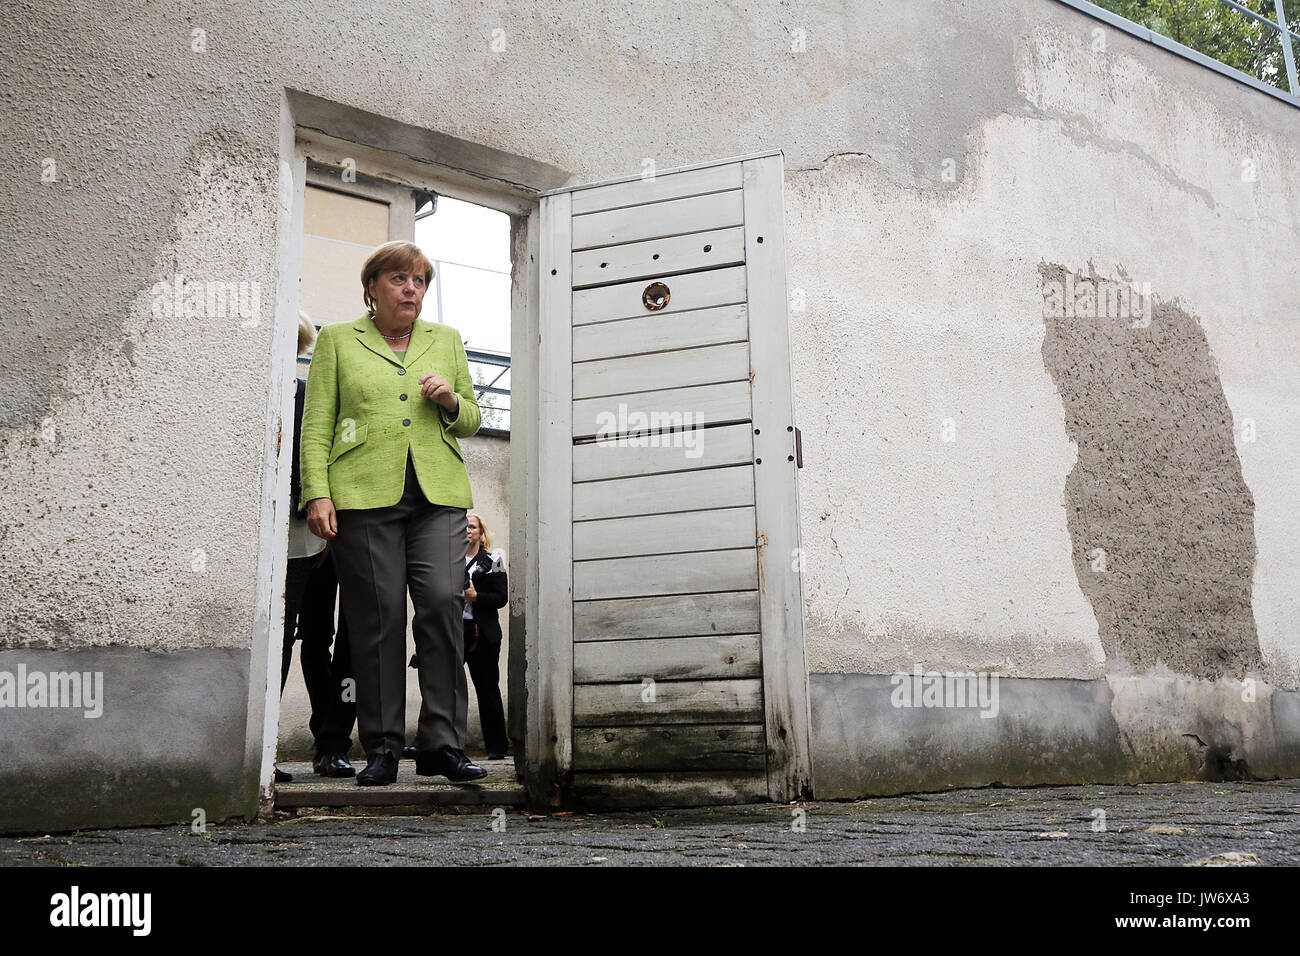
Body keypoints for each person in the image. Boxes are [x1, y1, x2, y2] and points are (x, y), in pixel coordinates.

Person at [299, 240, 486, 787]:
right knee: (377, 621)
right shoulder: (337, 339)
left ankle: (443, 745)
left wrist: (452, 400)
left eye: (421, 281)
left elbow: (473, 417)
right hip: (362, 495)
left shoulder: (446, 341)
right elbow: (317, 426)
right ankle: (382, 746)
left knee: (442, 606)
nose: (413, 289)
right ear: (373, 286)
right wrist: (318, 492)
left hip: (438, 495)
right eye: (401, 279)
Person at [281, 312, 357, 781]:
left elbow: (333, 458)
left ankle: (334, 743)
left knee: (347, 641)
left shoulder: (311, 396)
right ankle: (288, 740)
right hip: (282, 548)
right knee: (304, 639)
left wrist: (330, 522)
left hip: (330, 536)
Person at [461, 513, 510, 759]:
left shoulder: (494, 560)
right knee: (445, 688)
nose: (468, 530)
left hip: (484, 635)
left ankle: (497, 747)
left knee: (488, 689)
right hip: (455, 632)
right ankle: (439, 745)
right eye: (464, 526)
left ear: (481, 532)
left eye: (472, 527)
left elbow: (501, 597)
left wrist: (476, 596)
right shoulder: (448, 560)